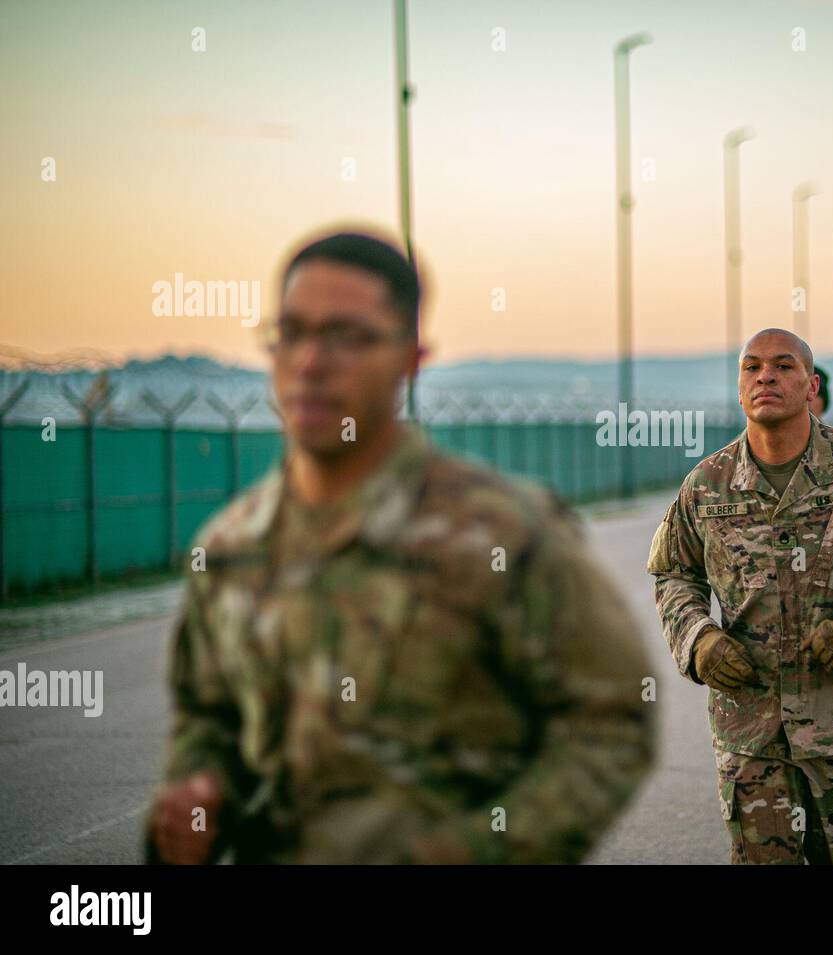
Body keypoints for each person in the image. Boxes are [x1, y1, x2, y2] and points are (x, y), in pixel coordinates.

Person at [146, 230, 655, 864]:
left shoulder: (502, 534)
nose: (310, 362)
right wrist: (199, 793)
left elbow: (609, 724)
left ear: (412, 360)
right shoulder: (230, 550)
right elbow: (208, 716)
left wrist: (472, 851)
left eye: (348, 337)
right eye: (292, 333)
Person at [647, 328, 833, 864]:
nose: (766, 375)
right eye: (752, 367)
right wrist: (698, 640)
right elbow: (673, 574)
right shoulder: (706, 486)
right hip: (751, 731)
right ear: (740, 389)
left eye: (784, 366)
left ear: (811, 386)